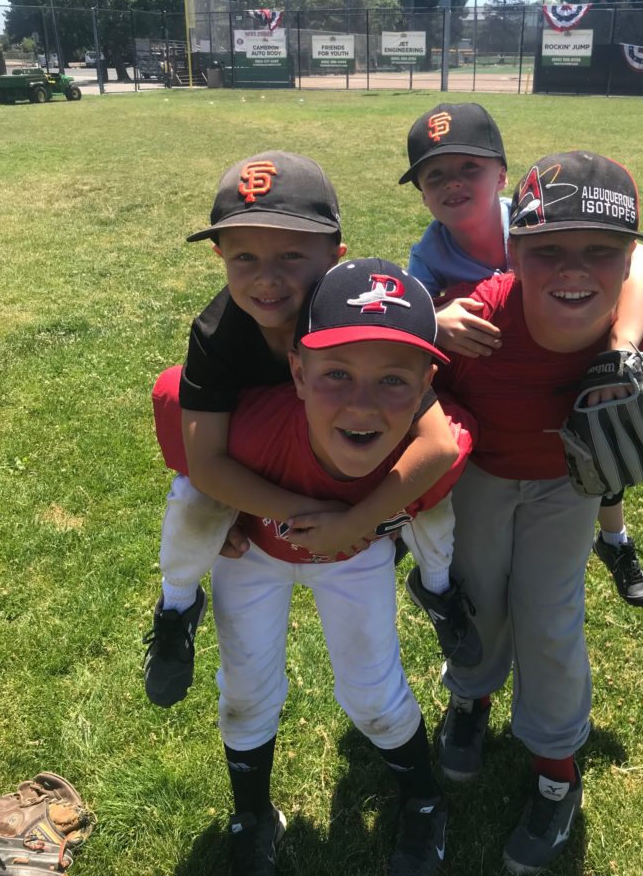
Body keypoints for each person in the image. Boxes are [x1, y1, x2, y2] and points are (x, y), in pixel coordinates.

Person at [152, 257, 476, 876]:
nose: (361, 406)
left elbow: (442, 452)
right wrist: (228, 518)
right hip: (258, 555)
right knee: (245, 691)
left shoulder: (426, 449)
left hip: (354, 559)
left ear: (426, 382)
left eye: (392, 381)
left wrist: (361, 522)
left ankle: (423, 797)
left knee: (374, 692)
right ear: (297, 373)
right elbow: (196, 451)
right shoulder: (244, 431)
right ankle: (250, 812)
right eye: (335, 373)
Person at [430, 151, 643, 874]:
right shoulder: (475, 317)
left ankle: (556, 770)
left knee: (549, 614)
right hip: (482, 472)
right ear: (513, 248)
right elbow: (417, 386)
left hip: (566, 481)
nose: (573, 272)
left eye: (599, 252)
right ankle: (472, 699)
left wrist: (623, 348)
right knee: (476, 595)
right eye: (548, 251)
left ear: (628, 257)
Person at [143, 151, 473, 711]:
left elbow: (437, 443)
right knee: (193, 487)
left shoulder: (359, 315)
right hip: (270, 457)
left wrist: (360, 519)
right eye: (243, 255)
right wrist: (297, 513)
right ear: (219, 255)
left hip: (343, 450)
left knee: (437, 484)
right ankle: (176, 605)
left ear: (334, 254)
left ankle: (437, 586)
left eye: (292, 254)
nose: (267, 277)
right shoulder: (219, 331)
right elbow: (208, 463)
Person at [401, 102, 643, 608]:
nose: (453, 183)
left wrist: (622, 342)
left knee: (604, 442)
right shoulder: (430, 254)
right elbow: (403, 315)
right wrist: (433, 319)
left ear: (502, 174)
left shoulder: (536, 213)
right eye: (435, 176)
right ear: (423, 195)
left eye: (469, 168)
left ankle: (614, 540)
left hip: (572, 365)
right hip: (505, 393)